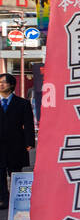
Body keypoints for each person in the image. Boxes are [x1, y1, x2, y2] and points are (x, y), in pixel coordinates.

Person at [0, 73, 36, 210]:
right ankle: (3, 199)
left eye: (4, 82)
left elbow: (28, 124)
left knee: (15, 172)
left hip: (16, 144)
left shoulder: (22, 103)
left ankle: (16, 199)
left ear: (12, 85)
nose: (1, 84)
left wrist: (30, 142)